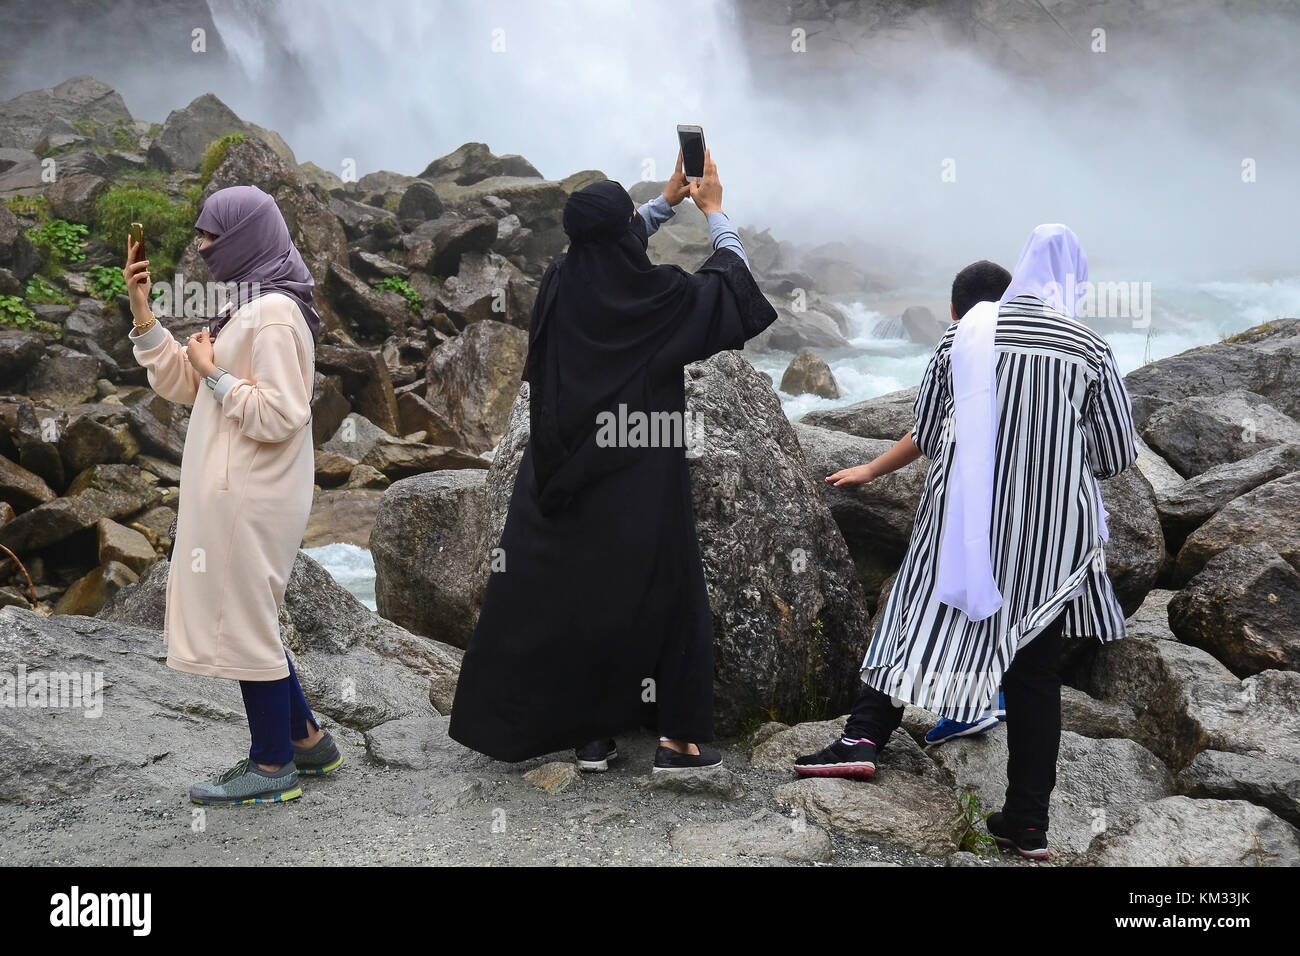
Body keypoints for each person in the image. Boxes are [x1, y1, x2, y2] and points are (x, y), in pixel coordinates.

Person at [796, 225, 1137, 860]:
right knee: (1034, 672)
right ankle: (1027, 821)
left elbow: (927, 426)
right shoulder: (1090, 350)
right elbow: (1116, 455)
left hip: (964, 518)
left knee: (916, 612)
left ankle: (863, 739)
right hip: (1051, 535)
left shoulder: (965, 334)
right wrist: (1055, 458)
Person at [448, 151, 777, 773]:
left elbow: (603, 243)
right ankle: (679, 742)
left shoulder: (559, 281)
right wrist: (714, 213)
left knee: (575, 590)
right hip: (641, 464)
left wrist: (662, 203)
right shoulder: (657, 297)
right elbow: (729, 285)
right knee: (671, 589)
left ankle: (589, 736)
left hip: (562, 465)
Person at [124, 185, 342, 805]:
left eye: (211, 236)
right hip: (239, 487)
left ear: (245, 238)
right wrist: (144, 312)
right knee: (252, 614)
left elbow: (282, 413)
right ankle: (307, 741)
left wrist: (215, 373)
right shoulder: (246, 305)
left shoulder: (272, 314)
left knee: (244, 621)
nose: (201, 247)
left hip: (253, 493)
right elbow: (181, 381)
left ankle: (272, 769)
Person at [825, 260, 1013, 746]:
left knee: (916, 601)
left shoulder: (957, 343)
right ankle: (989, 697)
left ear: (953, 311)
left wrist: (871, 468)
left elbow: (928, 430)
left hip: (960, 501)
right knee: (1002, 594)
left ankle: (863, 734)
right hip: (1030, 506)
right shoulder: (1059, 345)